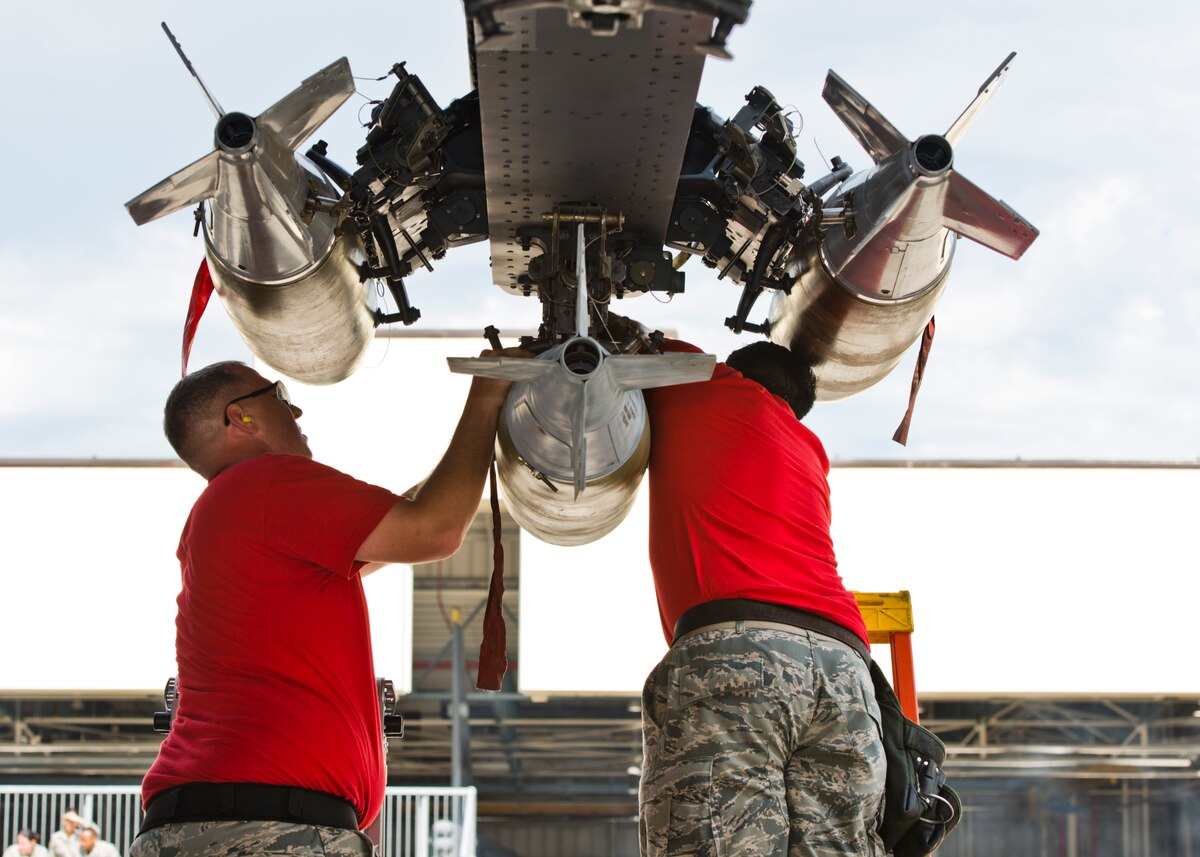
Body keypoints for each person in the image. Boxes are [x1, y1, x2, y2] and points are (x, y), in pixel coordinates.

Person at [129, 354, 523, 857]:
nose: (296, 414)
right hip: (265, 828)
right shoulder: (266, 482)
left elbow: (413, 519)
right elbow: (434, 529)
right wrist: (487, 395)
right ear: (241, 417)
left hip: (229, 823)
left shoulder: (237, 515)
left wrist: (486, 434)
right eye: (279, 397)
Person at [638, 338, 886, 857]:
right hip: (845, 671)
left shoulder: (709, 385)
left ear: (737, 373)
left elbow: (622, 337)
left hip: (742, 656)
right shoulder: (810, 451)